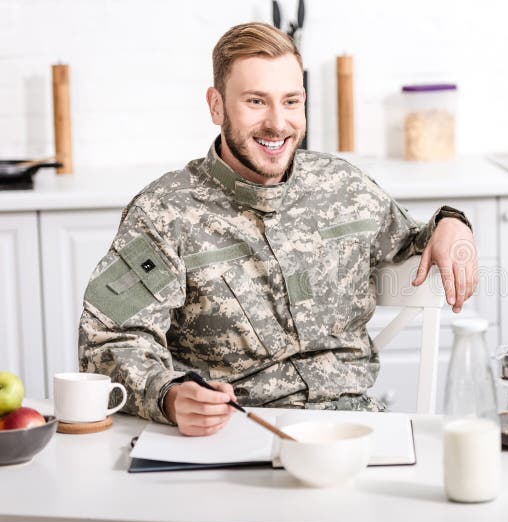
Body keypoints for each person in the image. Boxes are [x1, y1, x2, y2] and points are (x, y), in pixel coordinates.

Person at [78, 22, 477, 437]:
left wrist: (452, 223)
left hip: (355, 430)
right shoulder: (165, 212)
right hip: (234, 431)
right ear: (216, 106)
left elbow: (414, 239)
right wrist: (170, 396)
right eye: (255, 101)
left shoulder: (343, 186)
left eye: (291, 101)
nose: (277, 123)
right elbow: (106, 341)